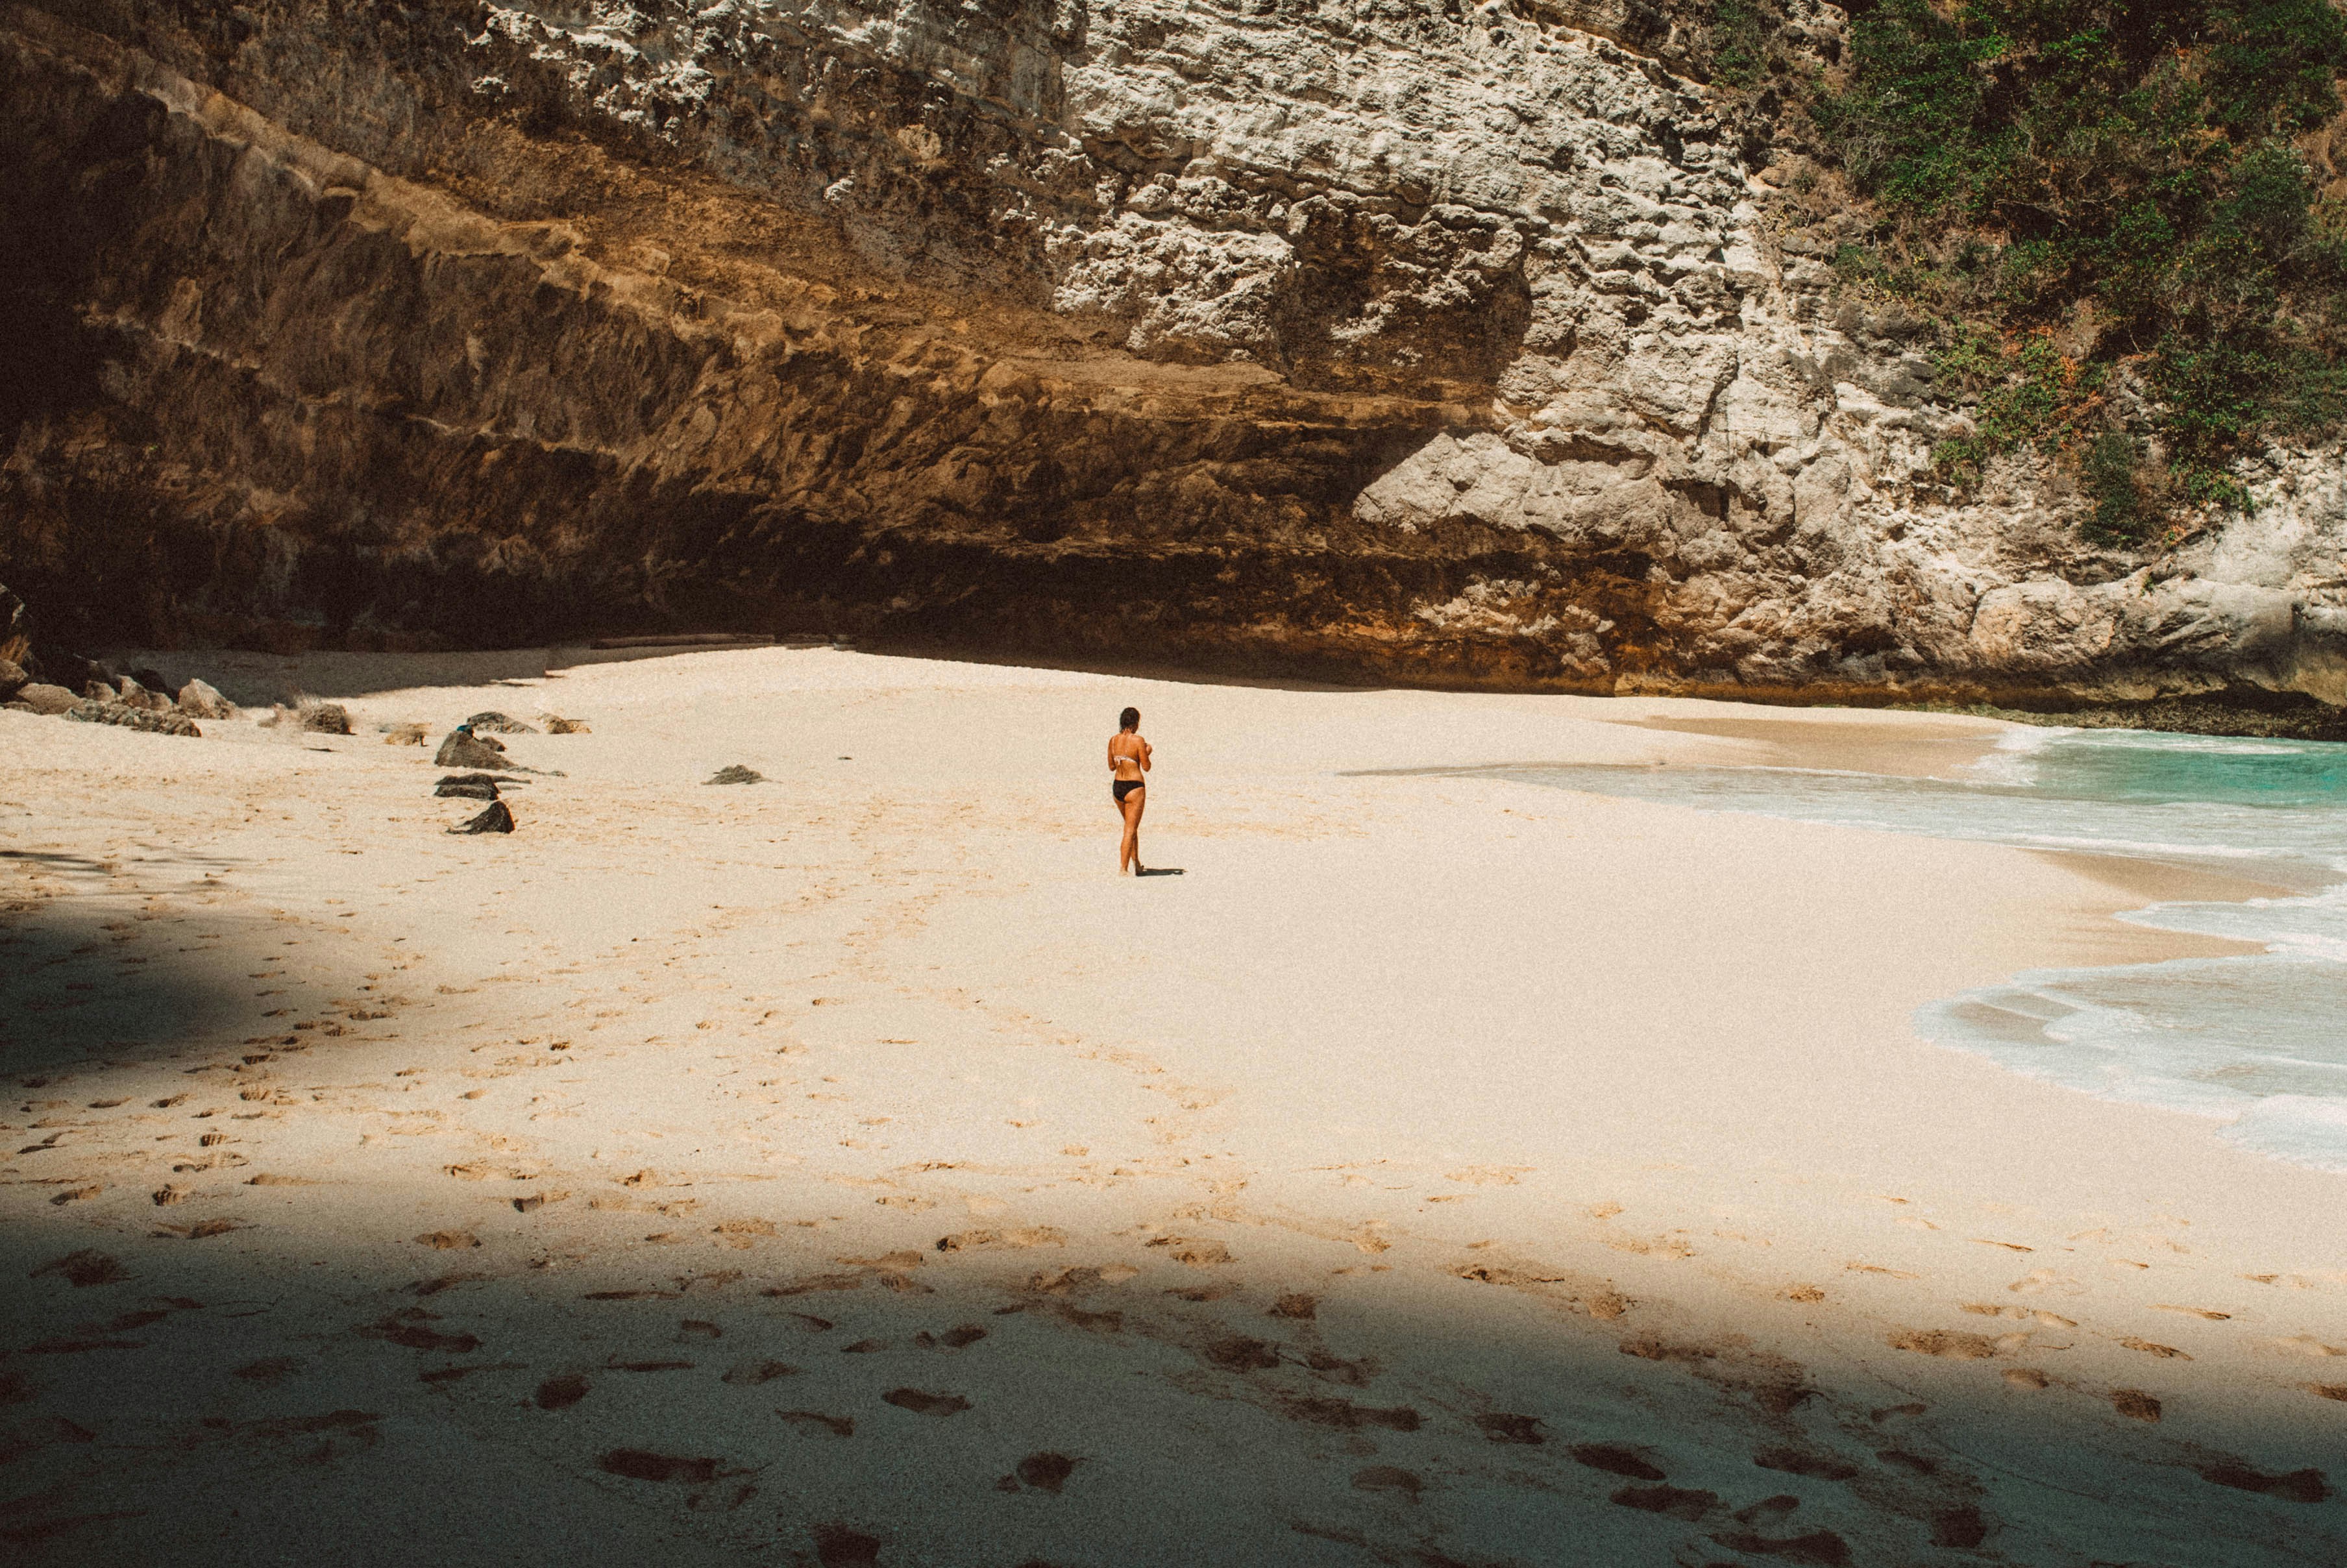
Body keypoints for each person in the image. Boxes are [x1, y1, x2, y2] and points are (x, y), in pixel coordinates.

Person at [1108, 705, 1151, 875]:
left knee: (1130, 827)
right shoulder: (1138, 740)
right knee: (1130, 829)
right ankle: (1123, 869)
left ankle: (1137, 864)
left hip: (1118, 785)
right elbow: (1146, 767)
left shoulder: (1113, 741)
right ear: (1135, 724)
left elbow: (1111, 766)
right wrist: (1148, 751)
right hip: (1134, 786)